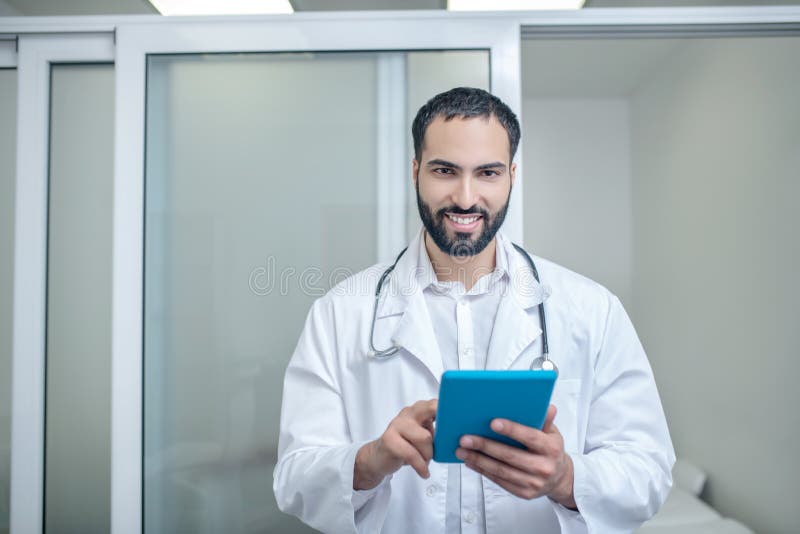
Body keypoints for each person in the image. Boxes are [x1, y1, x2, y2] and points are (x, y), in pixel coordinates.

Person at [273, 87, 674, 534]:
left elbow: (649, 472)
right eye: (445, 171)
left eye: (487, 173)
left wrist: (566, 477)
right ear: (415, 172)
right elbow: (294, 478)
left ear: (511, 177)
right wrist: (369, 461)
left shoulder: (592, 310)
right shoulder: (340, 313)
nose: (466, 197)